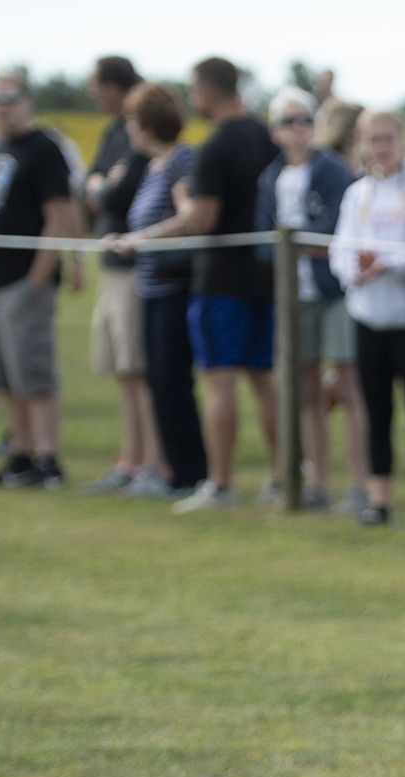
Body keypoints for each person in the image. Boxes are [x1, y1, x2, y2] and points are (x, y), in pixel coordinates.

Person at [150, 58, 281, 513]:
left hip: (222, 281)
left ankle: (220, 485)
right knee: (264, 379)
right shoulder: (269, 136)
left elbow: (201, 222)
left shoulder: (215, 145)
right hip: (267, 277)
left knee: (220, 381)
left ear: (207, 90)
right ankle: (282, 477)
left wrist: (182, 203)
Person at [328, 109, 405, 528]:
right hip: (368, 314)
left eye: (387, 139)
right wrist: (354, 269)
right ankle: (379, 499)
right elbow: (340, 247)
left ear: (402, 139)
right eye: (372, 140)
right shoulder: (357, 193)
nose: (381, 147)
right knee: (376, 412)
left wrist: (388, 263)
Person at [0, 72, 80, 490]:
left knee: (34, 374)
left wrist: (38, 278)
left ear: (27, 101)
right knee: (5, 378)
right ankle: (19, 455)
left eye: (9, 98)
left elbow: (57, 215)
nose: (1, 106)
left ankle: (48, 458)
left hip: (24, 281)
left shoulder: (44, 149)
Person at [256, 86, 363, 513]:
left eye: (306, 120)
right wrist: (299, 244)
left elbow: (340, 231)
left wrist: (297, 243)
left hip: (333, 291)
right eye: (289, 121)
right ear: (275, 131)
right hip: (292, 295)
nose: (299, 129)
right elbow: (266, 244)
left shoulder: (333, 170)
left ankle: (359, 485)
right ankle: (316, 482)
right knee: (307, 391)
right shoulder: (270, 178)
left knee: (349, 386)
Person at [105, 83, 205, 500]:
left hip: (172, 288)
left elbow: (187, 217)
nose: (127, 128)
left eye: (131, 120)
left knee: (171, 380)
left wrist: (141, 237)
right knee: (158, 380)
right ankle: (170, 469)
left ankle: (189, 473)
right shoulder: (153, 166)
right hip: (149, 288)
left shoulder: (181, 161)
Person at [81, 56, 159, 496]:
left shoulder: (136, 128)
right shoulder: (114, 129)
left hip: (132, 267)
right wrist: (97, 186)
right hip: (109, 265)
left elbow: (117, 191)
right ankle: (129, 462)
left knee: (136, 368)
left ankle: (150, 464)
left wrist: (100, 187)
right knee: (121, 370)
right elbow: (91, 185)